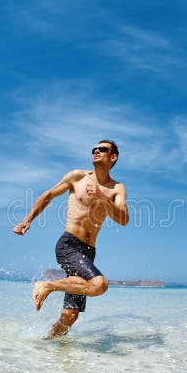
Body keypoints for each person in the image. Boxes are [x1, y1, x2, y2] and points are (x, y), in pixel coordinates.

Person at [13, 140, 128, 337]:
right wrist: (28, 219)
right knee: (100, 285)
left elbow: (123, 219)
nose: (96, 151)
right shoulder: (78, 177)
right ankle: (47, 285)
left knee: (70, 315)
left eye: (102, 149)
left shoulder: (117, 188)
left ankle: (47, 344)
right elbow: (49, 194)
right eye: (94, 149)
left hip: (89, 252)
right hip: (69, 245)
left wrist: (102, 197)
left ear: (113, 157)